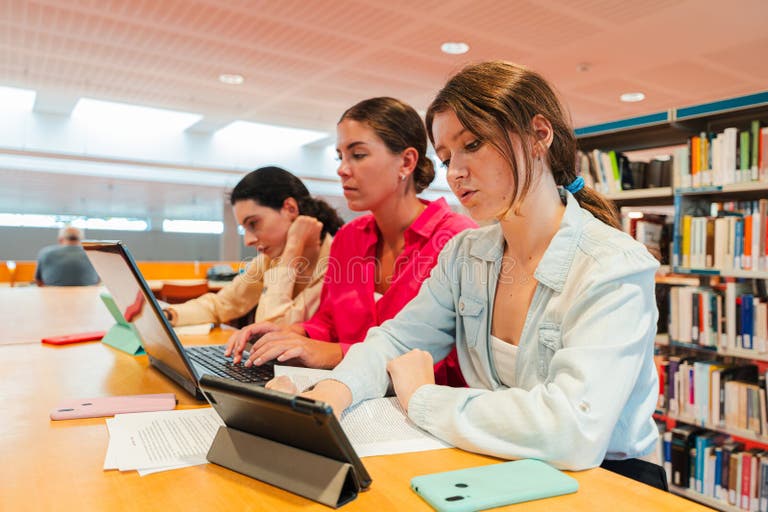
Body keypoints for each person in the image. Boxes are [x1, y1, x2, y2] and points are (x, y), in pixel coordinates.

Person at [278, 62, 661, 472]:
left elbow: (572, 432)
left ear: (538, 135)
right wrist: (332, 393)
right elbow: (397, 339)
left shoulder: (611, 265)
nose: (456, 173)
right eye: (446, 159)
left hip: (607, 479)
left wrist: (422, 397)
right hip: (503, 462)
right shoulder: (465, 253)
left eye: (473, 144)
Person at [226, 97, 476, 385]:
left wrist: (335, 354)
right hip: (345, 396)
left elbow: (458, 364)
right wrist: (294, 334)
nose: (342, 169)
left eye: (357, 155)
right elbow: (328, 321)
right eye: (340, 157)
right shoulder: (349, 237)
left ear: (406, 162)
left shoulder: (457, 239)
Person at [165, 166, 344, 328]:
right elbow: (222, 304)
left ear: (290, 208)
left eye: (253, 223)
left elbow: (273, 330)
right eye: (244, 229)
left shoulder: (339, 263)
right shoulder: (267, 261)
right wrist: (167, 315)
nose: (248, 241)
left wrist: (292, 250)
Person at [35, 225, 100, 286]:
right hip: (88, 293)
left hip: (53, 293)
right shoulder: (93, 253)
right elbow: (98, 280)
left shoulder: (45, 253)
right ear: (81, 239)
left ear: (60, 239)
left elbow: (39, 281)